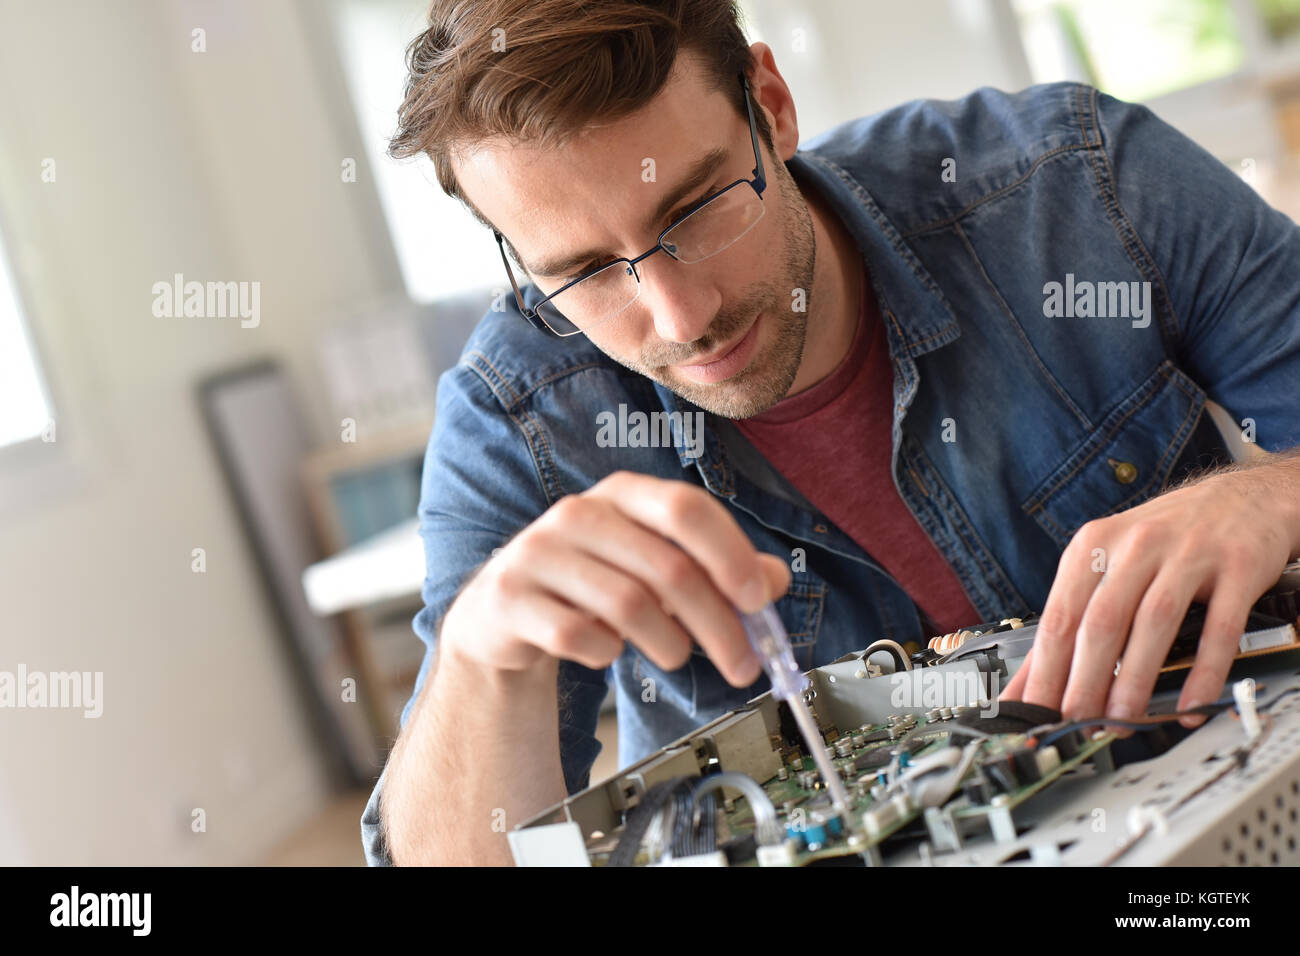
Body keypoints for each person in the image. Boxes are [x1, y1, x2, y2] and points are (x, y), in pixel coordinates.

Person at [362, 0, 1300, 865]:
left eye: (694, 209)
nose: (682, 316)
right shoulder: (517, 420)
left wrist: (1273, 492)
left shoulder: (1075, 189)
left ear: (770, 104)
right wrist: (484, 661)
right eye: (583, 272)